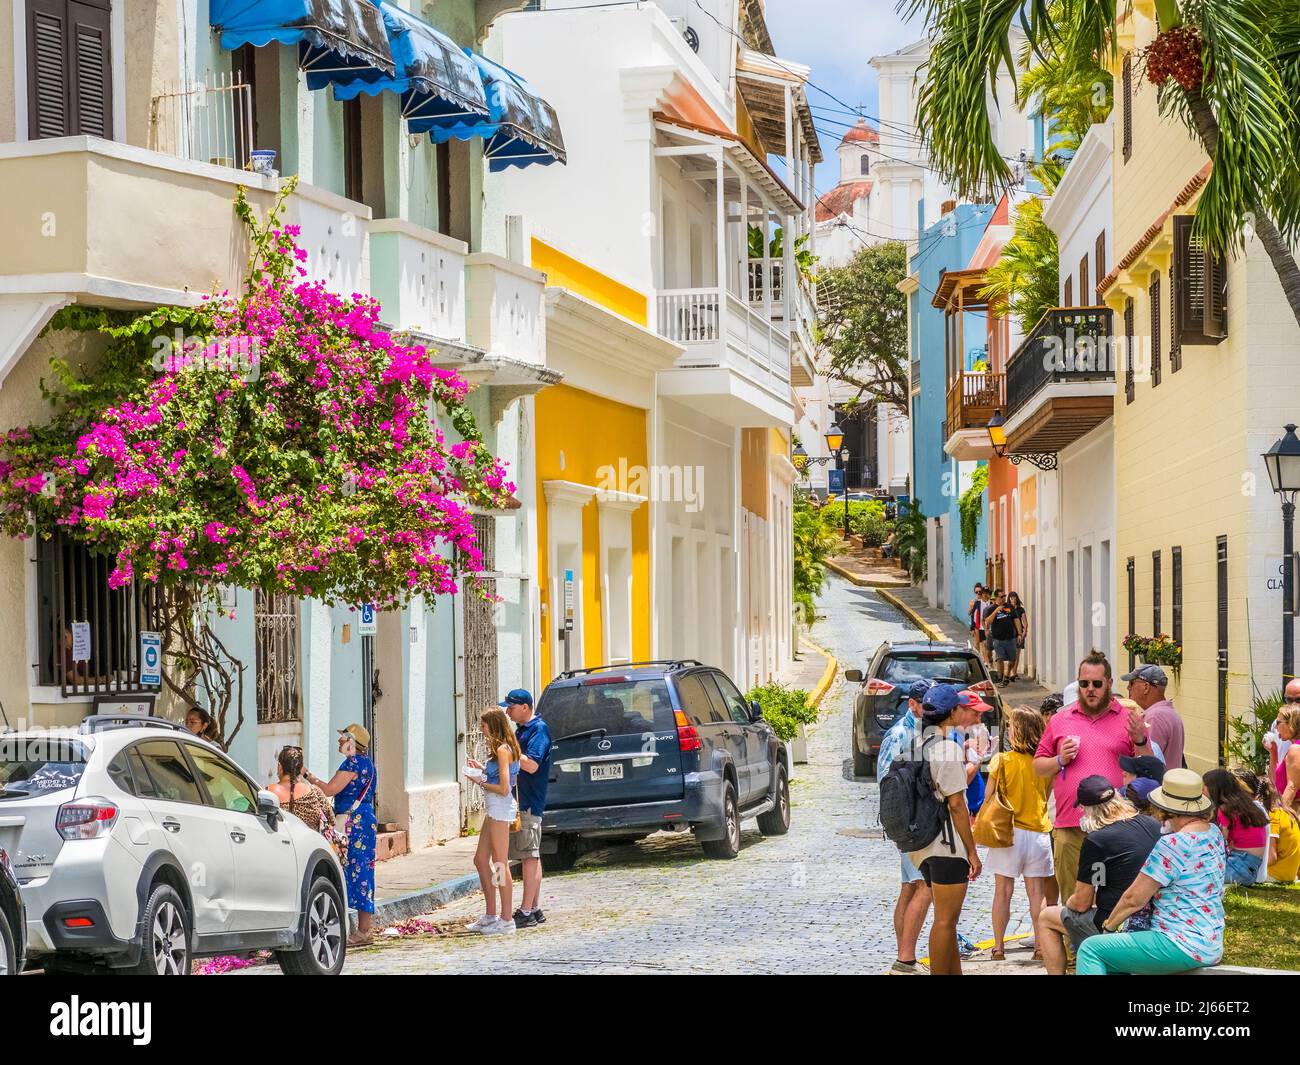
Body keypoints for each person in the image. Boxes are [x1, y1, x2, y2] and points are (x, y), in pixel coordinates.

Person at [1034, 649, 1154, 914]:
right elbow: (1038, 766)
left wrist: (1140, 741)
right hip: (1070, 825)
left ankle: (1109, 950)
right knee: (1074, 901)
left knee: (1111, 897)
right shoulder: (1060, 719)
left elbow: (1148, 770)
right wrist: (1058, 761)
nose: (1090, 689)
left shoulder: (1127, 719)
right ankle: (1074, 953)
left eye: (1097, 684)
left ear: (1109, 684)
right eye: (1084, 684)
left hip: (1116, 826)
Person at [1076, 768, 1225, 974]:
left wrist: (1109, 927)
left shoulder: (1173, 843)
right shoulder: (1214, 833)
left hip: (1177, 942)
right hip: (1211, 942)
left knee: (1091, 948)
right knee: (1111, 958)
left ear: (1167, 808)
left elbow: (1133, 899)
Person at [1036, 774, 1161, 975]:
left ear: (1090, 810)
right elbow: (1103, 876)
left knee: (1046, 918)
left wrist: (1069, 901)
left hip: (1115, 920)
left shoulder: (1097, 840)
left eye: (1083, 809)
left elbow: (1082, 902)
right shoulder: (1151, 825)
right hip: (1153, 915)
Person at [904, 684, 983, 976]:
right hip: (946, 845)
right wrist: (972, 851)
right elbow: (957, 806)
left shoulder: (914, 744)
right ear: (952, 712)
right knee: (945, 922)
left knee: (946, 920)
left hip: (920, 844)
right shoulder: (947, 749)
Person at [983, 705, 1053, 961]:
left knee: (1002, 892)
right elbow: (1046, 796)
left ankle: (999, 947)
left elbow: (988, 798)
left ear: (1018, 731)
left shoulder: (1001, 761)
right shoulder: (1044, 764)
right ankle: (1040, 947)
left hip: (1009, 833)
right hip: (1038, 834)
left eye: (1011, 725)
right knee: (1037, 894)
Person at [877, 679, 933, 974]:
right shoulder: (899, 734)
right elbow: (886, 783)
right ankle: (906, 959)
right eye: (927, 703)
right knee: (924, 886)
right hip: (912, 825)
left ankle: (904, 956)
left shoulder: (925, 730)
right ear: (913, 704)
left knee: (910, 887)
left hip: (917, 824)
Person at [305, 724, 377, 946]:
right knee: (362, 868)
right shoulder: (367, 764)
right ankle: (363, 928)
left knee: (356, 868)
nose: (339, 742)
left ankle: (364, 930)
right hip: (363, 819)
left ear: (352, 743)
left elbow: (329, 790)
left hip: (352, 822)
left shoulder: (353, 763)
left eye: (343, 738)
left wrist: (308, 776)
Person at [467, 707, 521, 935]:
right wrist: (482, 771)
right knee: (480, 860)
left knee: (500, 863)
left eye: (484, 725)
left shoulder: (502, 750)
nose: (482, 729)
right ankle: (490, 915)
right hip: (493, 809)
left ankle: (506, 919)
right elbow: (499, 776)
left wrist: (479, 782)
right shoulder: (501, 750)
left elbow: (504, 787)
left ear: (494, 725)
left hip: (499, 808)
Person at [502, 689, 551, 929]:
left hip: (530, 801)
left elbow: (531, 765)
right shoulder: (521, 730)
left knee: (528, 856)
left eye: (511, 707)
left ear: (524, 707)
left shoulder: (539, 730)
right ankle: (534, 906)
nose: (508, 712)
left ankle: (525, 910)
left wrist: (511, 750)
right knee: (532, 855)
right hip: (523, 800)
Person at [1204, 767, 1268, 885]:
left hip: (1238, 865)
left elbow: (1220, 842)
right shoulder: (1246, 804)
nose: (1202, 790)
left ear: (1214, 788)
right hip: (1251, 869)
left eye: (1204, 786)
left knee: (1201, 878)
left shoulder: (1225, 808)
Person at [1122, 664, 1184, 770]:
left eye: (1132, 683)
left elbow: (1147, 761)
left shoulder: (1154, 717)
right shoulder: (1169, 713)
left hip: (1156, 784)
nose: (1128, 687)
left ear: (1146, 687)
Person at [269, 746, 335, 839]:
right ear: (300, 769)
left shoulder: (269, 792)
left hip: (279, 847)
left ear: (279, 766)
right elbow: (332, 821)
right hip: (310, 847)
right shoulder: (315, 792)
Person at [1266, 699, 1300, 811]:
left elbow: (1292, 787)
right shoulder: (1293, 747)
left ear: (1291, 724)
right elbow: (1275, 782)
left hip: (1293, 808)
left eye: (1278, 722)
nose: (1275, 728)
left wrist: (1279, 815)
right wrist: (1273, 753)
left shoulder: (1296, 749)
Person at [986, 591, 1019, 685]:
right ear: (996, 598)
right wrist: (997, 610)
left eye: (1005, 596)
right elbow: (988, 622)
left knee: (1012, 659)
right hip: (998, 639)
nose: (1004, 598)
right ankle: (1001, 679)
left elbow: (1016, 620)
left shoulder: (1009, 607)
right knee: (1000, 658)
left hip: (1011, 638)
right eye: (1002, 597)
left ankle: (1007, 674)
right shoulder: (991, 608)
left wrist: (1020, 634)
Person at [1008, 591, 1028, 681]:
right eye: (1011, 598)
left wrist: (1024, 633)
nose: (1013, 600)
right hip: (1010, 633)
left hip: (1019, 634)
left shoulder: (1020, 609)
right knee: (1011, 654)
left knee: (1017, 653)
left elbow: (1025, 622)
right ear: (1009, 599)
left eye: (1015, 598)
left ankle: (1014, 671)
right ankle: (1010, 671)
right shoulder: (1007, 609)